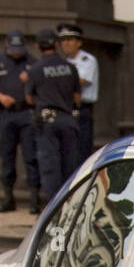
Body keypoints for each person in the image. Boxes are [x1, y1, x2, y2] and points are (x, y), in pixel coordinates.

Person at [0, 29, 41, 214]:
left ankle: (34, 198)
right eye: (13, 48)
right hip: (7, 113)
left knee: (31, 156)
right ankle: (8, 196)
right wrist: (0, 97)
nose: (17, 52)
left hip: (27, 113)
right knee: (7, 156)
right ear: (6, 44)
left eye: (20, 48)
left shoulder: (32, 62)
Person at [22, 28, 80, 201]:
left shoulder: (35, 70)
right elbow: (78, 97)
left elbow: (29, 98)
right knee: (70, 164)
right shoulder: (70, 68)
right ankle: (71, 202)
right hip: (68, 119)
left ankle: (54, 206)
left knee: (50, 166)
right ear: (56, 44)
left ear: (38, 46)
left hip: (47, 121)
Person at [56, 22, 99, 165]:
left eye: (70, 40)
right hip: (65, 110)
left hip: (82, 109)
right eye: (63, 40)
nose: (66, 44)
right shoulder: (63, 62)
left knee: (82, 150)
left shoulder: (87, 60)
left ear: (79, 42)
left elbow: (80, 81)